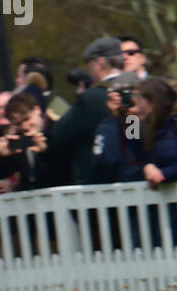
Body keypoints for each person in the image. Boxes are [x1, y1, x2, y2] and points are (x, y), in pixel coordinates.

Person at [50, 36, 138, 183]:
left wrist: (81, 99)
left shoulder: (91, 99)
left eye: (89, 64)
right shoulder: (141, 89)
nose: (89, 70)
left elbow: (58, 138)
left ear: (100, 62)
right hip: (137, 181)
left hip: (99, 188)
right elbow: (133, 135)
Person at [93, 78, 177, 186]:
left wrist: (162, 174)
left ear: (152, 102)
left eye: (138, 102)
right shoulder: (151, 124)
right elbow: (135, 156)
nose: (135, 108)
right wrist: (119, 115)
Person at [0, 92, 68, 190]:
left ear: (37, 110)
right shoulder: (20, 140)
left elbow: (64, 168)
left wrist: (44, 152)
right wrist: (5, 157)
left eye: (27, 119)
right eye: (18, 124)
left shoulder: (57, 130)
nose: (24, 126)